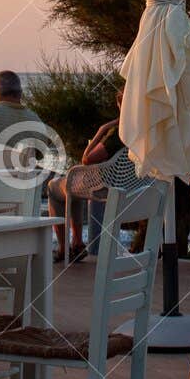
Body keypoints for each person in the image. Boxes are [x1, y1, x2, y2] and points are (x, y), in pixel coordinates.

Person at [46, 90, 124, 262]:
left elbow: (87, 159)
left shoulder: (118, 132)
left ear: (121, 105)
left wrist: (101, 131)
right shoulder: (146, 131)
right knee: (77, 184)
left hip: (104, 189)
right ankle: (78, 243)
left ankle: (63, 248)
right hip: (132, 188)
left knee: (53, 187)